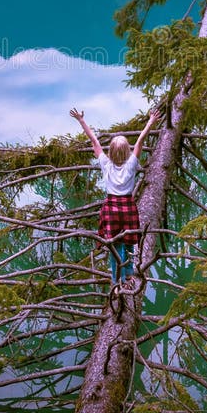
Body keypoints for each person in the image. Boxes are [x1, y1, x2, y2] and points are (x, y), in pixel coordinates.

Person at [69, 106, 161, 285]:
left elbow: (94, 141)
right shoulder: (132, 163)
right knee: (128, 243)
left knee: (115, 246)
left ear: (110, 152)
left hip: (111, 208)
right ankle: (129, 275)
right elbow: (141, 140)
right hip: (128, 208)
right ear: (128, 151)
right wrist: (151, 121)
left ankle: (116, 278)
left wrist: (81, 120)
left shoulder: (105, 163)